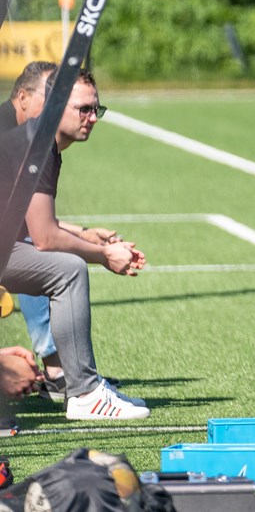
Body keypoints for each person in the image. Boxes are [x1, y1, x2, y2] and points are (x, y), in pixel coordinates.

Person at [0, 69, 149, 420]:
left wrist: (83, 235)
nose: (92, 118)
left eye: (97, 109)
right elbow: (45, 238)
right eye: (83, 109)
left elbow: (22, 219)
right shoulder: (38, 146)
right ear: (54, 108)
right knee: (67, 270)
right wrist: (103, 255)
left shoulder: (38, 141)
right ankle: (84, 392)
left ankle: (81, 385)